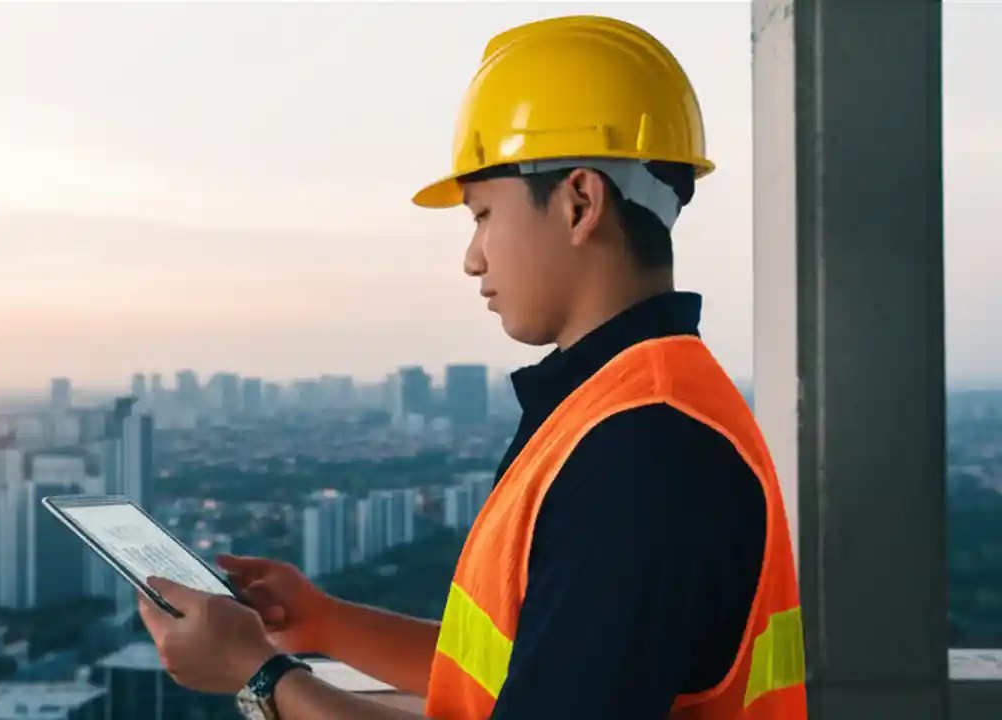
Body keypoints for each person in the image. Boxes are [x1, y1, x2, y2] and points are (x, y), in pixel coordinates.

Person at [138, 14, 807, 720]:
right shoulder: (622, 411)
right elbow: (539, 668)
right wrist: (324, 623)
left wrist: (262, 677)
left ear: (580, 201)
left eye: (484, 213)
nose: (474, 257)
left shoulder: (645, 453)